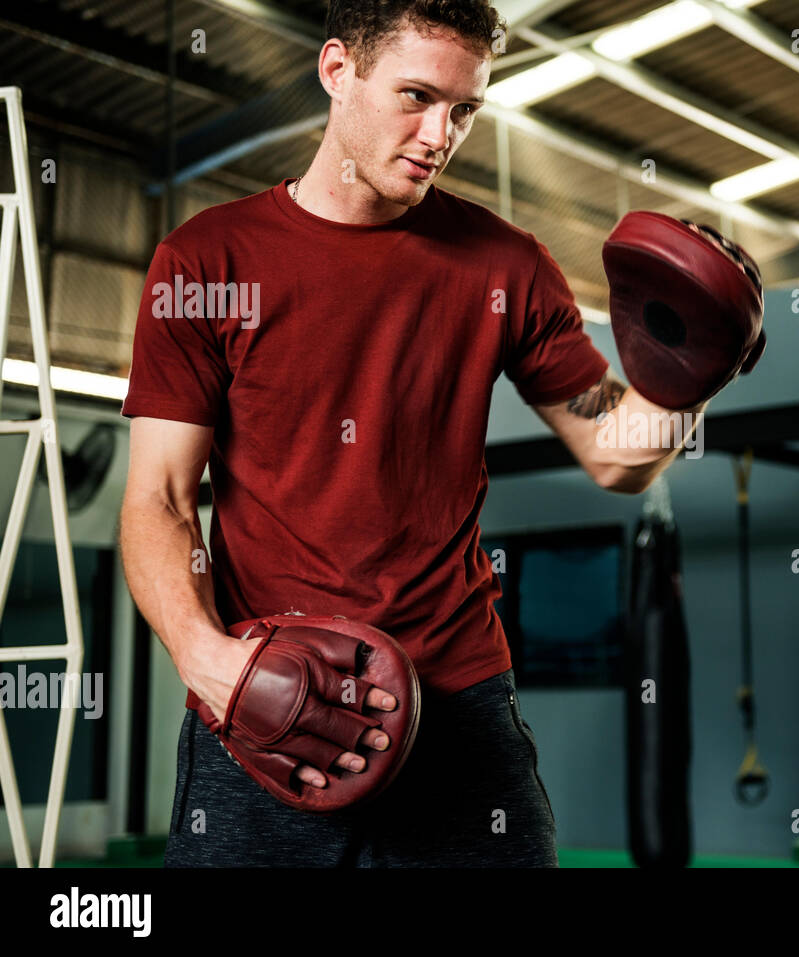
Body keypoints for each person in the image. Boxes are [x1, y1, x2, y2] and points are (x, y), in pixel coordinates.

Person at [118, 0, 760, 867]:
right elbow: (158, 497)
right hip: (267, 707)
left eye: (464, 110)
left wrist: (690, 370)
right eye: (416, 96)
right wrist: (208, 662)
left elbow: (615, 454)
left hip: (456, 703)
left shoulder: (506, 263)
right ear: (337, 70)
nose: (438, 133)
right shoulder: (207, 261)